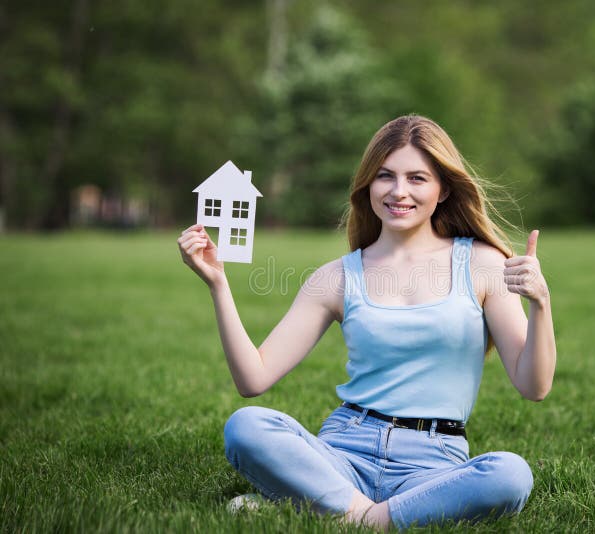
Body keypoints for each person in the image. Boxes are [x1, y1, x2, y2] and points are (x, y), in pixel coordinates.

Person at [177, 115, 556, 530]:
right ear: (367, 186)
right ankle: (375, 517)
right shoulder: (336, 277)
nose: (398, 191)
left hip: (432, 466)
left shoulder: (483, 264)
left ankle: (338, 511)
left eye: (417, 178)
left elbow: (533, 386)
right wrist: (218, 284)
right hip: (343, 452)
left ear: (443, 188)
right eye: (385, 176)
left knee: (511, 474)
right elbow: (253, 378)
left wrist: (541, 303)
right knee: (246, 426)